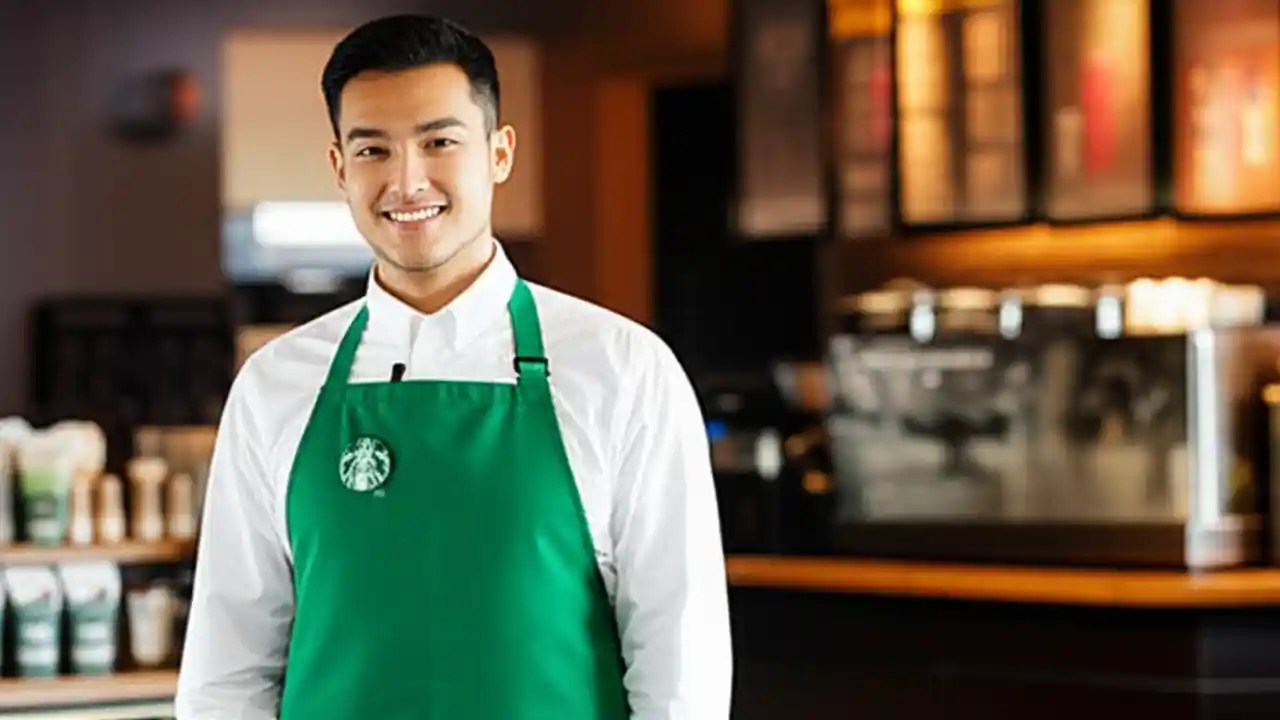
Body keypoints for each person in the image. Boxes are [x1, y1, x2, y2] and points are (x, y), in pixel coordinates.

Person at [174, 13, 733, 720]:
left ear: (499, 153)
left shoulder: (624, 370)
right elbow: (227, 670)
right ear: (340, 169)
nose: (407, 181)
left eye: (439, 142)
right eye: (373, 150)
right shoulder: (274, 384)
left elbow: (681, 663)